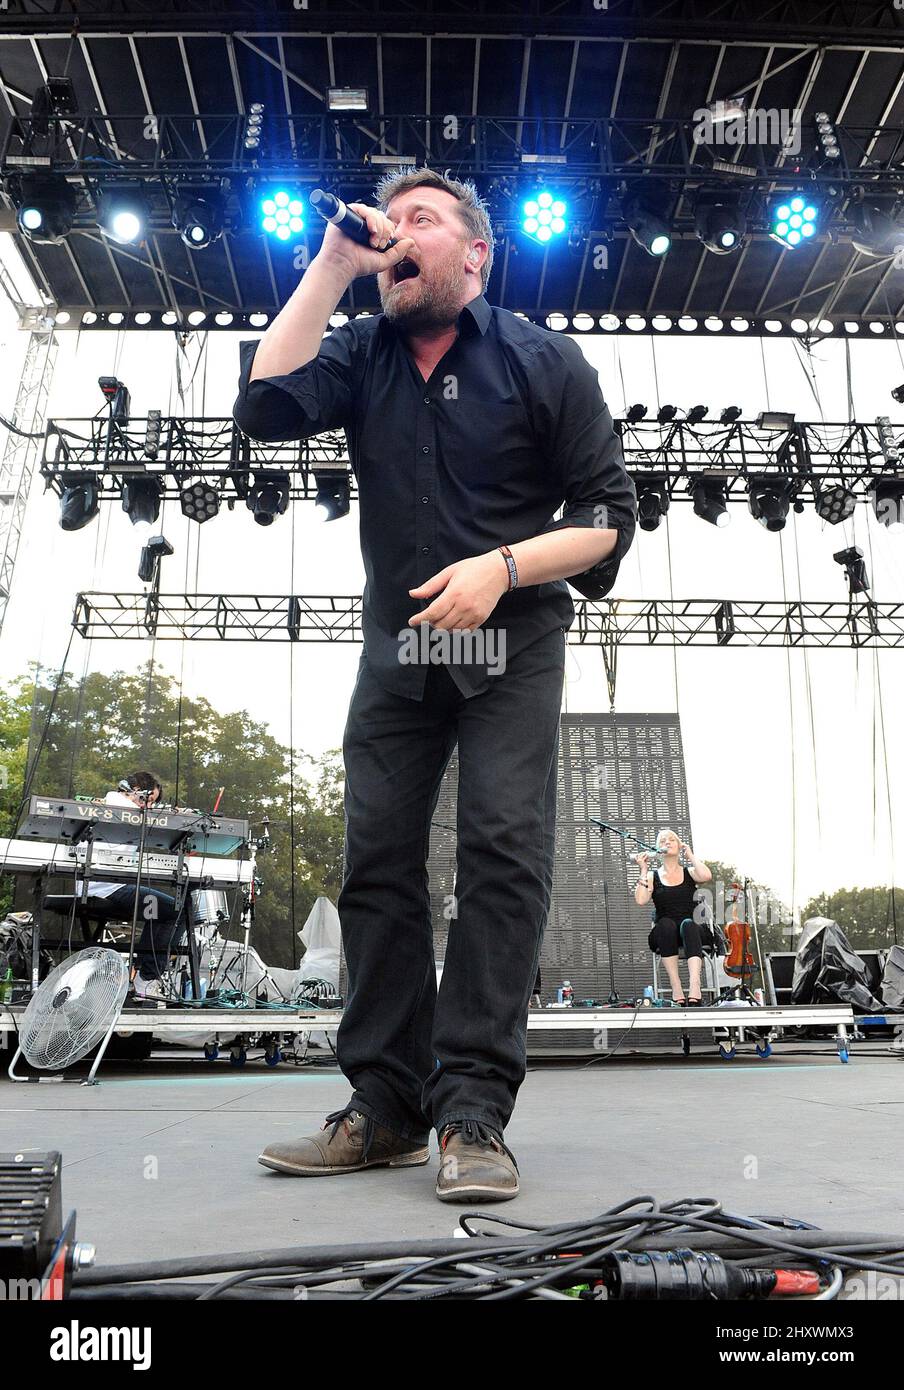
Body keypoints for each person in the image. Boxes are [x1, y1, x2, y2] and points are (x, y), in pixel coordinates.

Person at [234, 167, 637, 1202]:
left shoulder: (544, 359)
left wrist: (498, 569)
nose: (396, 234)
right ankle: (383, 1108)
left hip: (510, 640)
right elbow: (265, 405)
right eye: (388, 221)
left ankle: (471, 1114)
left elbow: (607, 517)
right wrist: (333, 261)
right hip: (399, 647)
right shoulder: (363, 347)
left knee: (501, 852)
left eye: (421, 221)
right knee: (376, 865)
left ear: (476, 254)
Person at [85, 772, 187, 1000]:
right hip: (105, 887)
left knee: (163, 910)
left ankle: (145, 973)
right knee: (177, 910)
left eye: (153, 803)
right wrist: (174, 816)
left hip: (108, 885)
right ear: (134, 789)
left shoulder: (130, 810)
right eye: (148, 800)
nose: (149, 806)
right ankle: (146, 978)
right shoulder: (118, 804)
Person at [634, 828, 713, 1005]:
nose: (667, 843)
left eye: (672, 840)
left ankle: (695, 985)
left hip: (691, 929)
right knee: (666, 925)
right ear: (657, 849)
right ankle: (676, 985)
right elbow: (640, 899)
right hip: (665, 931)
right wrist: (643, 869)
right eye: (662, 841)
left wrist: (690, 855)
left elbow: (706, 875)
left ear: (679, 846)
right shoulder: (652, 876)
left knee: (688, 924)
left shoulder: (690, 872)